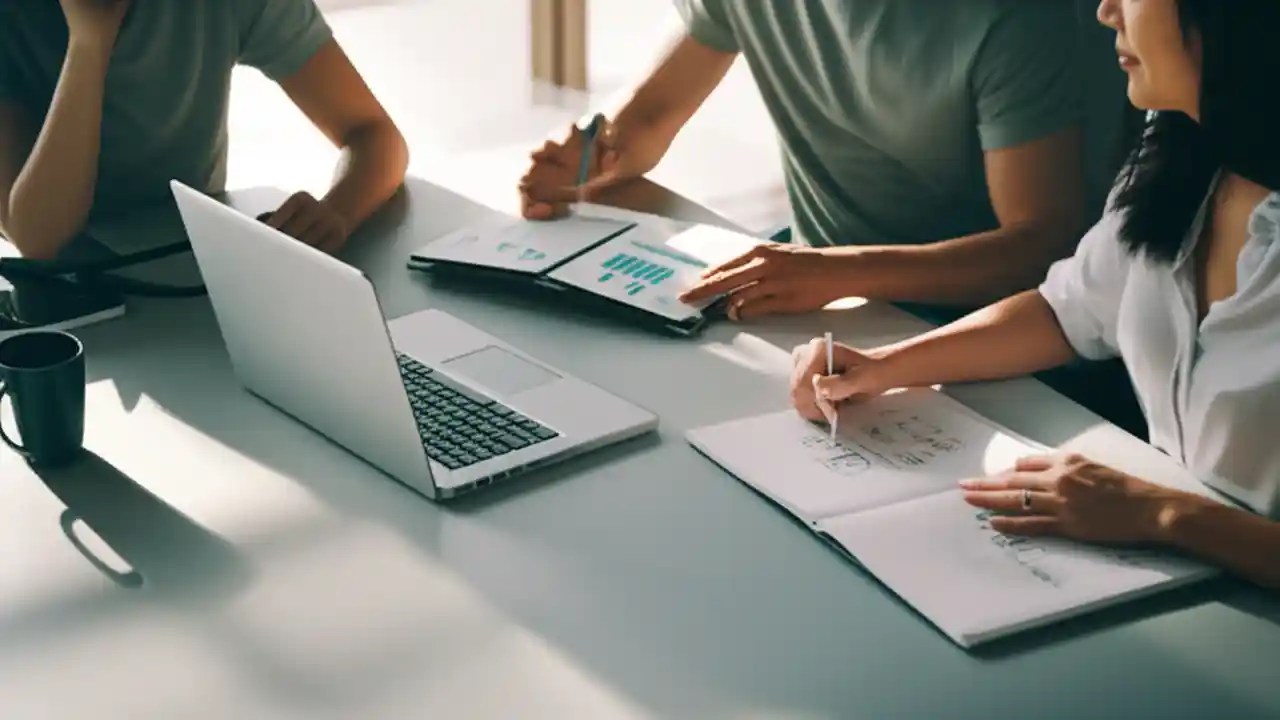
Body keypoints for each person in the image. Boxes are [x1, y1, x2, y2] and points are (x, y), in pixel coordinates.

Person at [790, 0, 1280, 590]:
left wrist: (1166, 515)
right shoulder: (1186, 152)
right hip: (1183, 584)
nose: (1106, 12)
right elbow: (1064, 311)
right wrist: (886, 366)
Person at [519, 0, 1125, 323]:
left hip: (990, 335)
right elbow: (647, 122)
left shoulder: (1014, 18)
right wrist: (593, 156)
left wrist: (839, 272)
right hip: (813, 298)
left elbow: (1043, 248)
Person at [0, 0, 408, 261]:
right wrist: (90, 42)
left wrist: (337, 213)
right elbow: (40, 240)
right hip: (67, 321)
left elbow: (375, 134)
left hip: (195, 280)